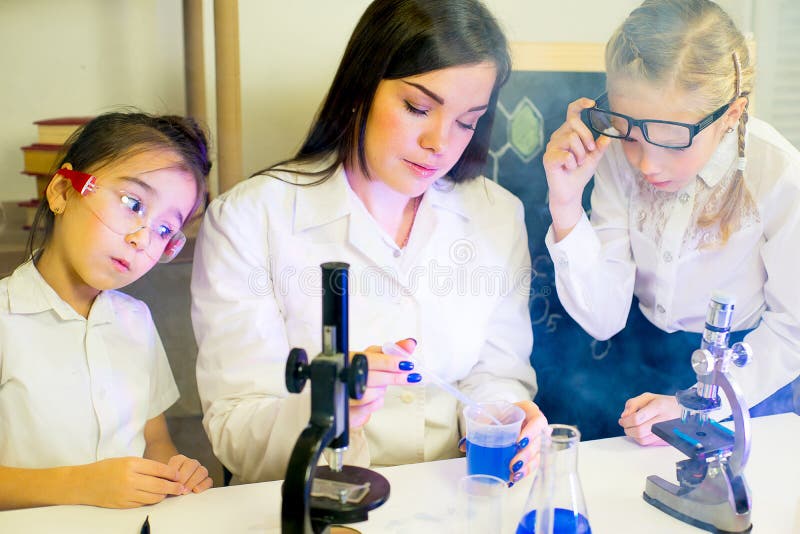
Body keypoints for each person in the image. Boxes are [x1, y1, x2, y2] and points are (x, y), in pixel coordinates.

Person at [192, 0, 546, 485]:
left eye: (467, 121)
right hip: (319, 500)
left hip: (452, 495)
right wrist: (328, 411)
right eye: (419, 107)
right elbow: (236, 428)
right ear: (361, 87)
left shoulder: (497, 215)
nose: (439, 142)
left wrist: (507, 416)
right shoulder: (249, 220)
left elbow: (496, 373)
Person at [543, 0, 800, 446]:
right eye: (630, 133)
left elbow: (792, 331)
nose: (645, 163)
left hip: (748, 378)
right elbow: (603, 319)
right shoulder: (615, 157)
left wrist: (699, 402)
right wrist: (565, 204)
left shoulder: (779, 175)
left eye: (672, 141)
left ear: (732, 115)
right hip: (635, 366)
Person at [0, 112, 214, 509]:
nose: (141, 239)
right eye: (133, 203)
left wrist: (175, 472)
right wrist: (80, 485)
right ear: (63, 190)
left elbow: (155, 442)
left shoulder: (136, 321)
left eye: (165, 230)